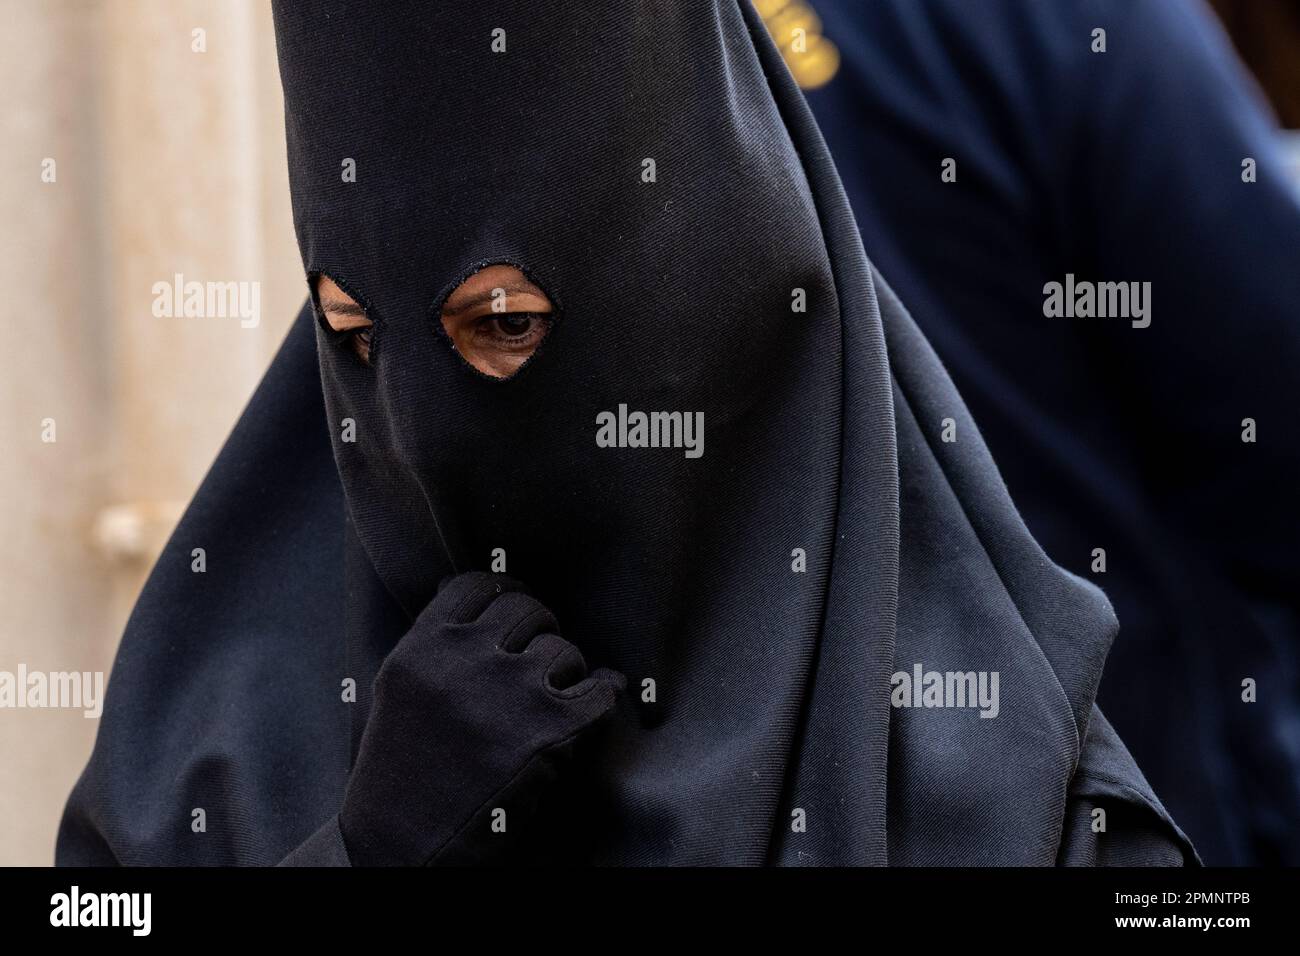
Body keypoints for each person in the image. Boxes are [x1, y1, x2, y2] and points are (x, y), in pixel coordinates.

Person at [56, 0, 1195, 866]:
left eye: (505, 326)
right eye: (352, 336)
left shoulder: (1018, 790)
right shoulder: (204, 741)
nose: (413, 429)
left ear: (698, 298)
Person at [758, 0, 1300, 866]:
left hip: (736, 802)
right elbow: (1275, 426)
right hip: (1119, 807)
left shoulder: (593, 50)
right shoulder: (1065, 21)